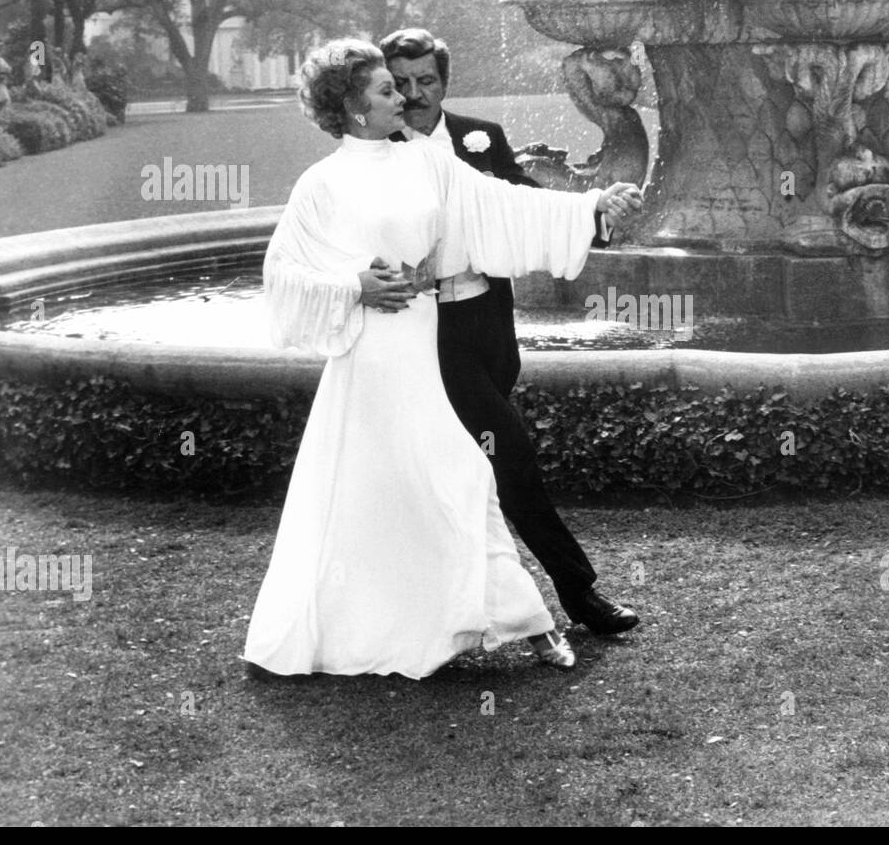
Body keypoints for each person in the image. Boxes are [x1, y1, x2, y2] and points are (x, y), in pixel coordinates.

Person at [243, 39, 643, 680]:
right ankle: (372, 626)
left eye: (401, 86)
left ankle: (528, 623)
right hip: (372, 358)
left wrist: (590, 208)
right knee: (379, 491)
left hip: (431, 342)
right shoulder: (319, 184)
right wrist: (355, 286)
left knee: (463, 475)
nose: (401, 97)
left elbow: (502, 204)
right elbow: (282, 275)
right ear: (351, 110)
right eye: (384, 90)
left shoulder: (427, 162)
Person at [380, 28, 644, 636]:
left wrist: (594, 212)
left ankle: (444, 608)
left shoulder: (481, 136)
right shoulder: (377, 150)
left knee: (472, 466)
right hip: (423, 334)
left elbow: (524, 207)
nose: (417, 95)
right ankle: (581, 595)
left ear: (445, 81)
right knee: (512, 455)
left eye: (428, 81)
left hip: (485, 326)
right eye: (403, 83)